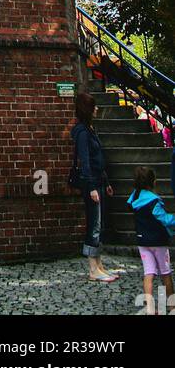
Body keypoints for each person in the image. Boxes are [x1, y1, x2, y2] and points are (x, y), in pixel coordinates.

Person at [70, 91, 118, 281]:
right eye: (94, 106)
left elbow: (98, 159)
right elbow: (86, 161)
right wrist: (91, 187)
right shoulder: (82, 132)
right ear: (87, 109)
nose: (97, 108)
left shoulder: (89, 129)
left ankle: (99, 264)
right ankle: (92, 268)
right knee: (94, 224)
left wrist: (105, 181)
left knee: (99, 223)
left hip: (98, 180)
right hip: (91, 183)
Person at [127, 166, 175, 314]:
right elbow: (165, 219)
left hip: (143, 242)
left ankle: (149, 307)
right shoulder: (154, 202)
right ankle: (172, 305)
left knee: (148, 273)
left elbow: (130, 205)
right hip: (159, 242)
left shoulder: (134, 197)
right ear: (152, 182)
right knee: (165, 273)